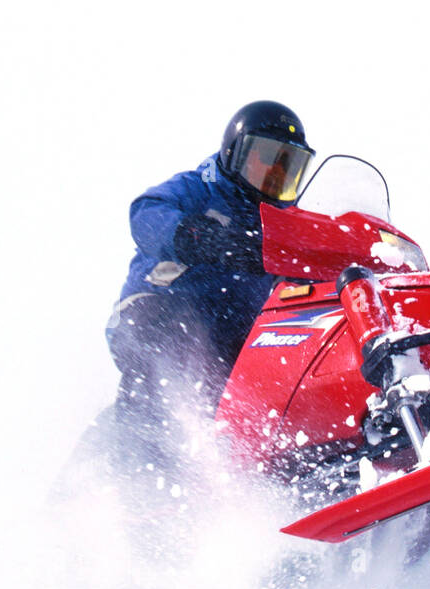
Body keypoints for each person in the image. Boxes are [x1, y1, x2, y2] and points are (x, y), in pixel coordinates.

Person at [103, 100, 315, 487]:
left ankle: (289, 470)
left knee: (290, 359)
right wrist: (190, 234)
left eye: (289, 166)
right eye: (266, 158)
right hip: (159, 310)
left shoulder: (284, 228)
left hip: (232, 336)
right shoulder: (201, 189)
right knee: (181, 341)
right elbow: (146, 212)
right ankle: (140, 471)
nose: (275, 173)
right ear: (235, 153)